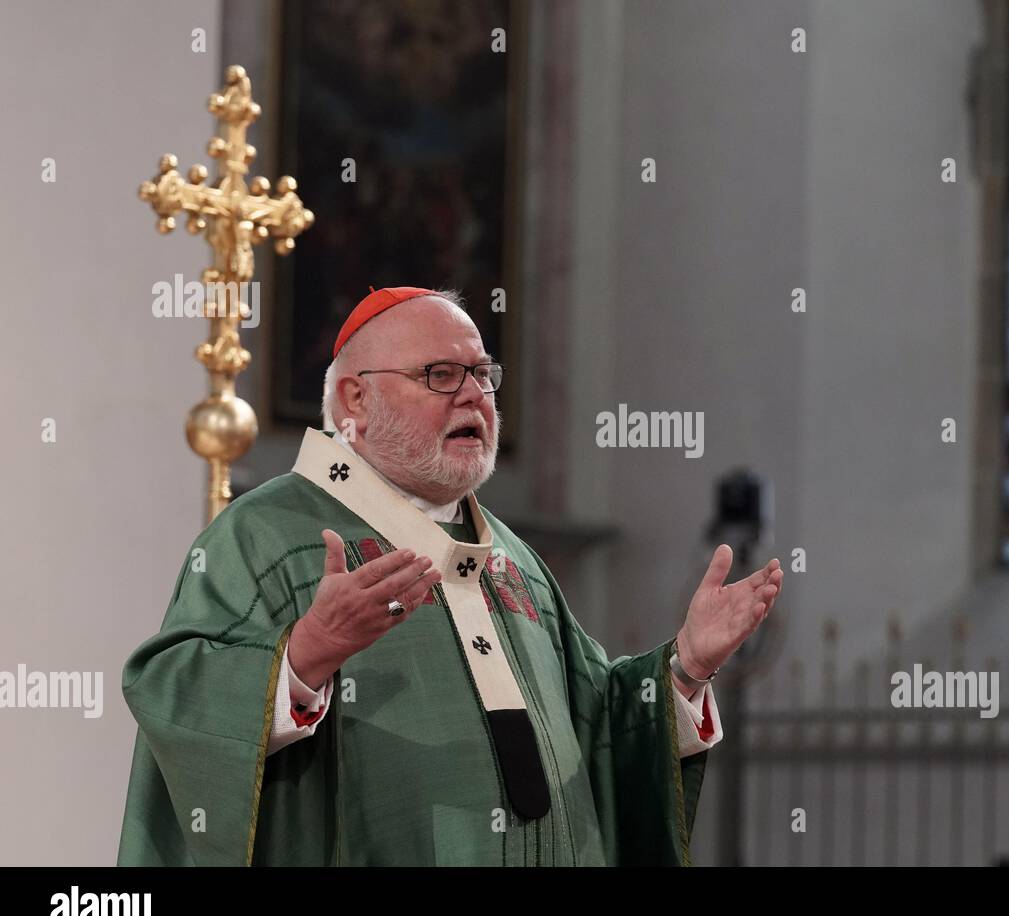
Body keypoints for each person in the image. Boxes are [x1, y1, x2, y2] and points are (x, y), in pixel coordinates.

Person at [117, 287, 783, 865]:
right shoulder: (269, 534)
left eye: (481, 374)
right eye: (439, 374)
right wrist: (306, 653)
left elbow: (600, 728)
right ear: (355, 399)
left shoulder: (512, 558)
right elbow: (173, 695)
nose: (472, 394)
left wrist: (684, 672)